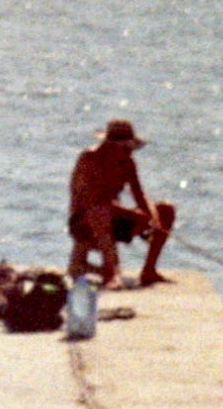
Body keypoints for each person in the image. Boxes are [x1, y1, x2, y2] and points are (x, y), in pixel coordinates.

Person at [66, 117, 172, 287]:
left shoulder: (127, 162)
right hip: (85, 223)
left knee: (166, 210)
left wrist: (151, 216)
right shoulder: (90, 159)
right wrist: (133, 214)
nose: (129, 152)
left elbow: (139, 193)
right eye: (125, 148)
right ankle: (110, 275)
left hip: (112, 218)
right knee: (99, 211)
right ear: (110, 145)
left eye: (130, 148)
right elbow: (94, 201)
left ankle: (149, 271)